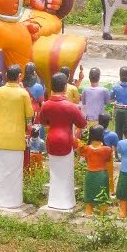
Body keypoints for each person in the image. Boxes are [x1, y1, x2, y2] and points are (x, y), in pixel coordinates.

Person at [0, 64, 35, 209]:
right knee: (14, 174)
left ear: (7, 76)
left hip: (1, 137)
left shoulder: (0, 91)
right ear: (19, 77)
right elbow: (30, 114)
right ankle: (12, 201)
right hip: (16, 139)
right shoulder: (23, 93)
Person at [40, 71, 86, 211]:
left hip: (52, 138)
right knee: (66, 172)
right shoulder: (71, 106)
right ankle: (66, 201)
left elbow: (43, 121)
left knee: (54, 171)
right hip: (66, 139)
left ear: (52, 87)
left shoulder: (46, 105)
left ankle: (54, 201)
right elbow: (82, 123)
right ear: (65, 87)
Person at [81, 125, 115, 216]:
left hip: (90, 173)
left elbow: (86, 159)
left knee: (89, 193)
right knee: (103, 193)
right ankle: (102, 212)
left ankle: (88, 211)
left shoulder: (86, 148)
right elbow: (108, 160)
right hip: (102, 174)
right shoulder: (107, 149)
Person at [97, 113, 119, 196]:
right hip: (107, 158)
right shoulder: (112, 135)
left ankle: (98, 191)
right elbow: (117, 147)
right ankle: (110, 191)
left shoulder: (93, 131)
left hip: (95, 156)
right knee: (109, 175)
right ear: (108, 122)